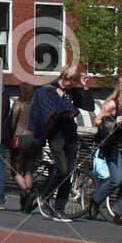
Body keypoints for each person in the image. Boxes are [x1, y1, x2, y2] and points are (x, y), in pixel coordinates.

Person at [30, 64, 83, 222]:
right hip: (56, 135)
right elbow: (49, 114)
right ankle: (45, 197)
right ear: (64, 77)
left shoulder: (73, 93)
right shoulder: (49, 91)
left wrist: (85, 89)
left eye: (74, 81)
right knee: (61, 169)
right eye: (70, 80)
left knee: (69, 172)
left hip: (71, 135)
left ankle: (59, 208)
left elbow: (88, 106)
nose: (72, 84)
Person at [88, 76, 122, 223]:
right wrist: (114, 121)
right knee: (117, 180)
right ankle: (95, 201)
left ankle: (119, 213)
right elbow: (97, 121)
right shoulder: (112, 104)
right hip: (114, 147)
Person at [8, 84, 39, 212]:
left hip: (20, 138)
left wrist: (9, 138)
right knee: (28, 171)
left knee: (15, 171)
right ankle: (27, 202)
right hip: (34, 139)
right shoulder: (36, 105)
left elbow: (13, 122)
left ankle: (27, 193)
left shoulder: (18, 103)